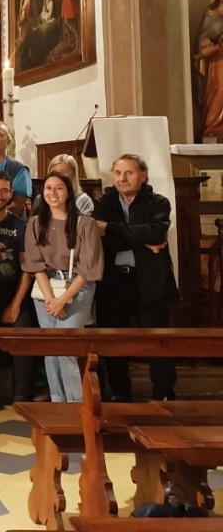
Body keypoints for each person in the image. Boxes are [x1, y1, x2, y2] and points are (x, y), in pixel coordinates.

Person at [93, 154, 176, 401]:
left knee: (158, 341)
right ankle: (120, 393)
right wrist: (143, 240)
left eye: (129, 173)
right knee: (113, 340)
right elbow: (100, 241)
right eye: (118, 173)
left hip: (149, 280)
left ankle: (163, 394)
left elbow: (155, 232)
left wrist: (112, 229)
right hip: (114, 281)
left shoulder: (158, 202)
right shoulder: (102, 203)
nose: (122, 178)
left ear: (143, 175)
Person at [24, 171, 103, 402]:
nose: (53, 193)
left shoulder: (85, 223)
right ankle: (58, 402)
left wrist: (62, 300)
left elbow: (88, 268)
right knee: (51, 349)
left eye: (59, 188)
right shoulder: (35, 223)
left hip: (76, 286)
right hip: (46, 287)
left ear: (68, 192)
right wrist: (51, 298)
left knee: (66, 348)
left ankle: (76, 405)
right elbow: (35, 264)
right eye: (48, 188)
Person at [0, 170, 37, 403]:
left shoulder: (20, 226)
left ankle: (21, 396)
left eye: (4, 190)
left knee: (24, 337)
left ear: (11, 193)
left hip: (13, 292)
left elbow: (27, 268)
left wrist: (15, 304)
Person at [194, 0, 223, 138]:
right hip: (217, 61)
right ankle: (213, 126)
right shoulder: (210, 15)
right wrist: (207, 43)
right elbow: (203, 38)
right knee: (219, 90)